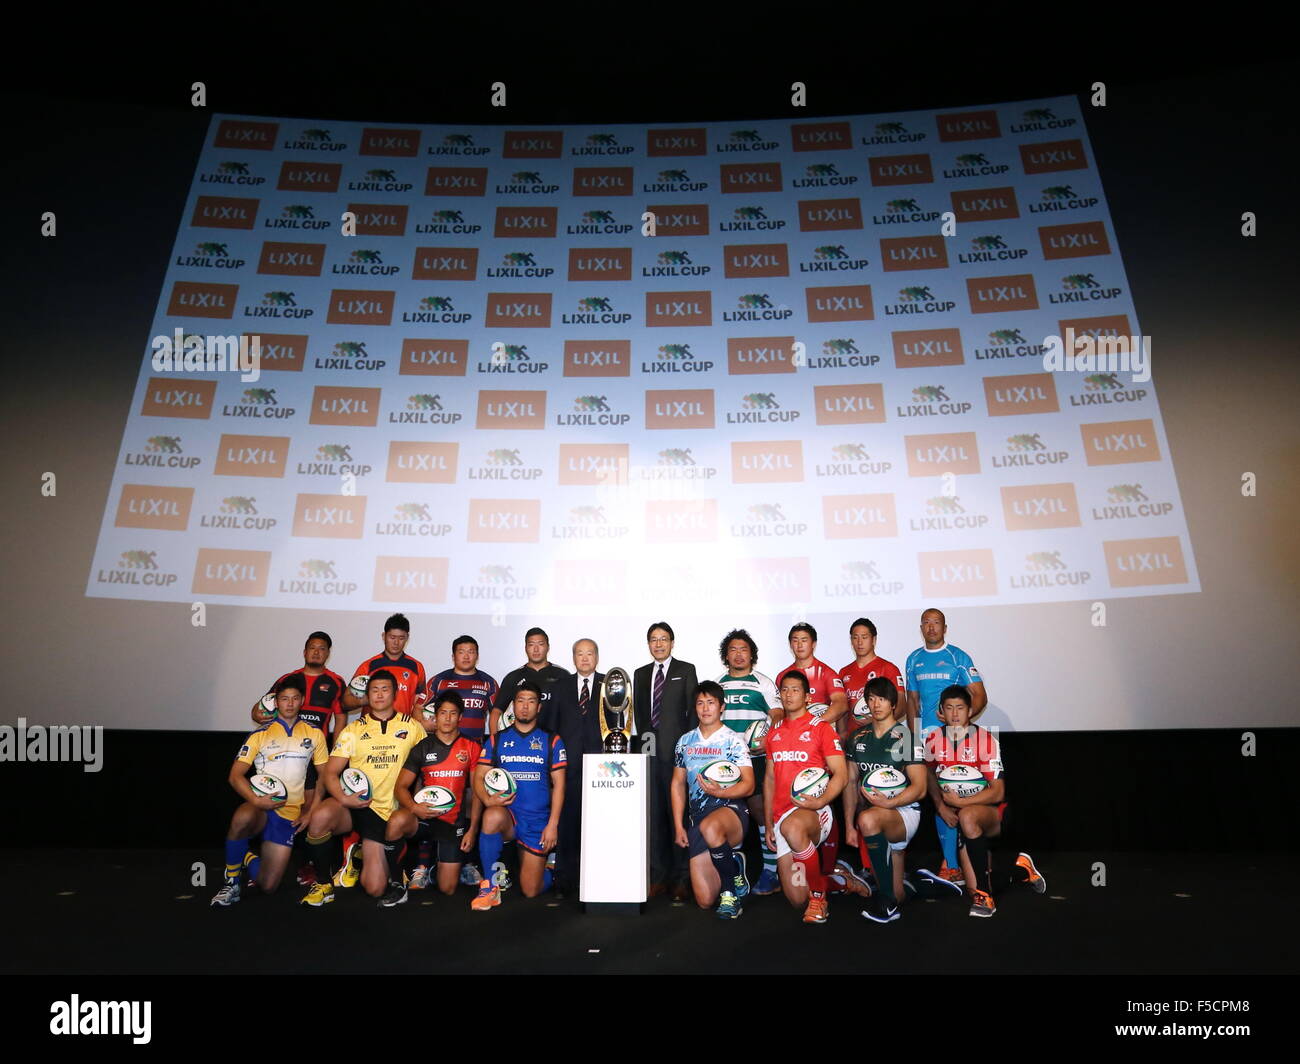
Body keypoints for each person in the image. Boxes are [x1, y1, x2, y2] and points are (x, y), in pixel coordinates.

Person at [298, 670, 427, 908]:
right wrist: (343, 799)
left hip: (394, 810)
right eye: (374, 690)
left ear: (395, 694)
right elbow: (330, 773)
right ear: (367, 695)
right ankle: (324, 884)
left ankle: (371, 855)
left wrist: (414, 803)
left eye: (385, 689)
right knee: (320, 817)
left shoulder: (413, 728)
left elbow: (423, 771)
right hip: (360, 808)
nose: (379, 694)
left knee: (375, 887)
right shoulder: (353, 730)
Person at [924, 685, 1045, 917]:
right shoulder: (934, 738)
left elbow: (998, 792)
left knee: (968, 816)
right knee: (971, 886)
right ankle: (1019, 870)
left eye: (960, 708)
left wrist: (959, 803)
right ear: (941, 711)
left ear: (970, 710)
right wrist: (940, 805)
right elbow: (929, 773)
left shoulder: (985, 740)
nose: (955, 714)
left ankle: (985, 897)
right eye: (949, 708)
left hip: (993, 812)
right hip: (961, 816)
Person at [212, 675, 329, 905]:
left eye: (295, 698)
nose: (290, 703)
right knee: (241, 818)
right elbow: (235, 776)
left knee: (268, 886)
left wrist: (310, 811)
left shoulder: (314, 733)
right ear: (276, 702)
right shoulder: (259, 735)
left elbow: (325, 775)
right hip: (261, 808)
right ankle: (232, 882)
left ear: (302, 700)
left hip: (289, 815)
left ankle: (244, 856)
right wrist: (256, 802)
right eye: (284, 699)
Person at [904, 608, 988, 890]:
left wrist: (958, 719)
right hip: (926, 740)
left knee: (953, 794)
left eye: (936, 623)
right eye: (926, 623)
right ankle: (951, 863)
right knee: (938, 797)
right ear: (920, 627)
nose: (931, 627)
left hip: (952, 739)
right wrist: (912, 739)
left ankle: (956, 865)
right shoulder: (913, 659)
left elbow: (979, 695)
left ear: (944, 627)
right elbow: (912, 703)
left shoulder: (958, 657)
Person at [763, 670, 852, 924]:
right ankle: (840, 882)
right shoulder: (775, 733)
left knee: (793, 828)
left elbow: (841, 775)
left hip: (813, 811)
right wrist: (769, 822)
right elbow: (769, 779)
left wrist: (820, 802)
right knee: (795, 898)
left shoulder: (821, 729)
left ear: (807, 697)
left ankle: (818, 898)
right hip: (781, 817)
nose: (789, 694)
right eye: (785, 690)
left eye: (795, 690)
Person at [471, 682, 567, 910]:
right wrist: (487, 799)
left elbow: (560, 785)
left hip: (536, 822)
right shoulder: (497, 739)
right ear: (513, 706)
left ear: (539, 707)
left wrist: (552, 825)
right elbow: (479, 776)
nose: (525, 707)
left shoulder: (551, 739)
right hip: (509, 817)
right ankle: (489, 886)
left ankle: (548, 869)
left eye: (531, 701)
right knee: (492, 816)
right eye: (520, 701)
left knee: (530, 890)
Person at [843, 677, 927, 923]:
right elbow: (850, 784)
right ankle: (920, 885)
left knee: (867, 819)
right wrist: (849, 824)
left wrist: (890, 803)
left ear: (893, 704)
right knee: (900, 892)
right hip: (876, 817)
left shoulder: (906, 738)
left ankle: (887, 904)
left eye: (881, 698)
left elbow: (920, 788)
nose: (876, 704)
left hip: (904, 812)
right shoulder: (858, 738)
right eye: (871, 699)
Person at [672, 681, 755, 919]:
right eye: (700, 703)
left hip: (731, 812)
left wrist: (720, 793)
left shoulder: (733, 741)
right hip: (699, 820)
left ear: (721, 707)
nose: (705, 708)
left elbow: (748, 785)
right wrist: (679, 825)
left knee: (711, 826)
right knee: (705, 900)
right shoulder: (685, 742)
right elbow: (677, 784)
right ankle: (734, 864)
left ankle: (731, 895)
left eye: (711, 703)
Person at [633, 621, 699, 902]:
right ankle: (658, 878)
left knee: (679, 817)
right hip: (650, 757)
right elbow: (640, 716)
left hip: (678, 757)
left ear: (672, 643)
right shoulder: (640, 673)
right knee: (655, 818)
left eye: (663, 639)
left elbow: (693, 714)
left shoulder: (686, 670)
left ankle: (682, 878)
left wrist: (688, 751)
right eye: (653, 639)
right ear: (648, 644)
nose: (658, 644)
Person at [393, 690, 482, 895]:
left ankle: (436, 869)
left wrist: (472, 830)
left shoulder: (471, 746)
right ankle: (397, 880)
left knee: (448, 888)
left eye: (453, 713)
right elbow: (400, 787)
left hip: (453, 824)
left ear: (460, 717)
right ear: (436, 716)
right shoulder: (422, 747)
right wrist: (415, 808)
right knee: (396, 822)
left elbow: (477, 793)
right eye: (443, 713)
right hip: (424, 818)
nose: (447, 718)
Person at [427, 633, 499, 885]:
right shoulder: (439, 681)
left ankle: (468, 862)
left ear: (477, 655)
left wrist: (494, 745)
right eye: (461, 651)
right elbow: (419, 711)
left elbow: (497, 716)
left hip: (475, 757)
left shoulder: (488, 682)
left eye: (471, 651)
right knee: (436, 806)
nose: (466, 656)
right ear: (453, 655)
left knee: (472, 806)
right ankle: (425, 864)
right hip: (441, 757)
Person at [715, 628, 782, 896]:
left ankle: (771, 871)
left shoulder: (763, 683)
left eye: (743, 649)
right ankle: (732, 873)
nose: (738, 654)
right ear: (726, 656)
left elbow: (777, 715)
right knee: (728, 815)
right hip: (727, 760)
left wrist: (767, 738)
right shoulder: (718, 683)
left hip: (755, 759)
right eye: (732, 649)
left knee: (760, 812)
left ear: (752, 654)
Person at [549, 638, 605, 898]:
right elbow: (551, 727)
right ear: (573, 658)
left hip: (602, 769)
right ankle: (564, 882)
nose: (585, 658)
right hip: (567, 768)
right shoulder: (560, 686)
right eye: (580, 654)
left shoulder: (611, 684)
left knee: (599, 826)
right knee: (567, 826)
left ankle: (597, 879)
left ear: (597, 657)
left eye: (589, 653)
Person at [248, 631, 346, 745]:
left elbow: (340, 720)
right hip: (283, 747)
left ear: (328, 654)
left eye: (322, 649)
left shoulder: (336, 682)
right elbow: (261, 705)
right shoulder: (287, 679)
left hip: (317, 750)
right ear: (305, 652)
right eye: (312, 648)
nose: (316, 652)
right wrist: (255, 713)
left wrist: (336, 752)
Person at [342, 613, 428, 717]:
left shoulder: (416, 667)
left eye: (401, 638)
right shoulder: (369, 666)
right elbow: (345, 702)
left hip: (403, 730)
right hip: (371, 729)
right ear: (384, 636)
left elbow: (419, 704)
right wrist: (366, 699)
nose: (396, 642)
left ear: (407, 638)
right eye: (392, 637)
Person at [492, 628, 570, 735]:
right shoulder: (513, 677)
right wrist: (494, 741)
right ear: (525, 648)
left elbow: (572, 712)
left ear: (548, 647)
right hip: (521, 742)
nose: (536, 649)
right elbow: (496, 712)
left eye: (540, 644)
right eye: (531, 644)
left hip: (556, 741)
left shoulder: (562, 675)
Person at [838, 617, 905, 739]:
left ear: (873, 639)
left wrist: (875, 722)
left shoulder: (888, 668)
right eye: (855, 637)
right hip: (852, 740)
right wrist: (842, 738)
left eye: (864, 637)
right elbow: (842, 711)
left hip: (881, 738)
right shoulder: (844, 672)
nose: (859, 642)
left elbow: (901, 706)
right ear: (851, 641)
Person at [776, 623, 848, 725]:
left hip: (818, 734)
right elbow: (778, 709)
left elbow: (841, 704)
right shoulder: (782, 676)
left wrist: (814, 725)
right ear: (790, 644)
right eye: (795, 640)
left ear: (813, 644)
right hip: (792, 734)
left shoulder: (826, 672)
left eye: (804, 640)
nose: (799, 645)